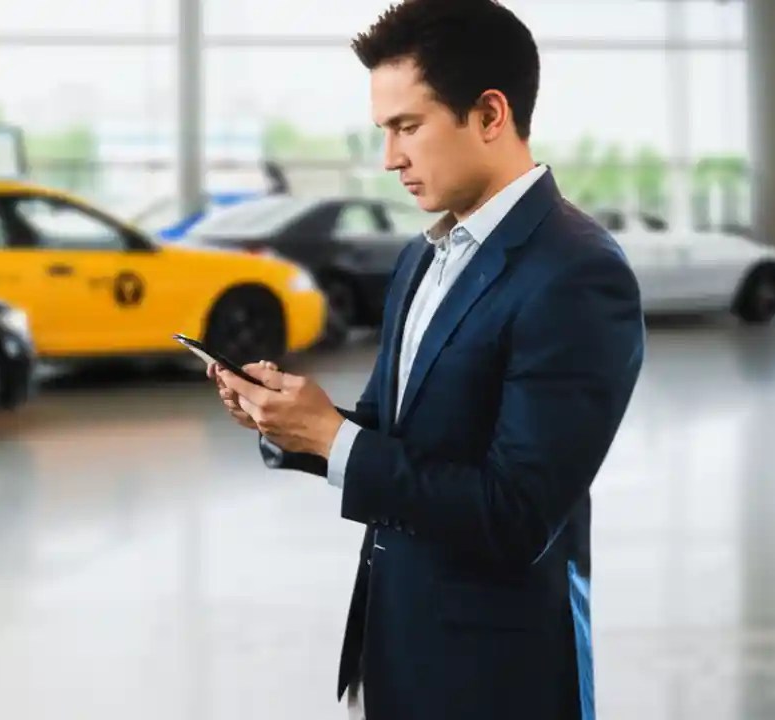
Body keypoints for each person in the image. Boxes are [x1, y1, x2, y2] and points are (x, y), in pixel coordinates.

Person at [209, 1, 646, 718]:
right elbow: (393, 435)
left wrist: (332, 438)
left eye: (407, 127)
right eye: (383, 131)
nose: (389, 158)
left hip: (495, 674)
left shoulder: (576, 272)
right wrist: (290, 422)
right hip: (397, 643)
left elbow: (516, 515)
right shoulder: (423, 257)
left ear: (490, 114)